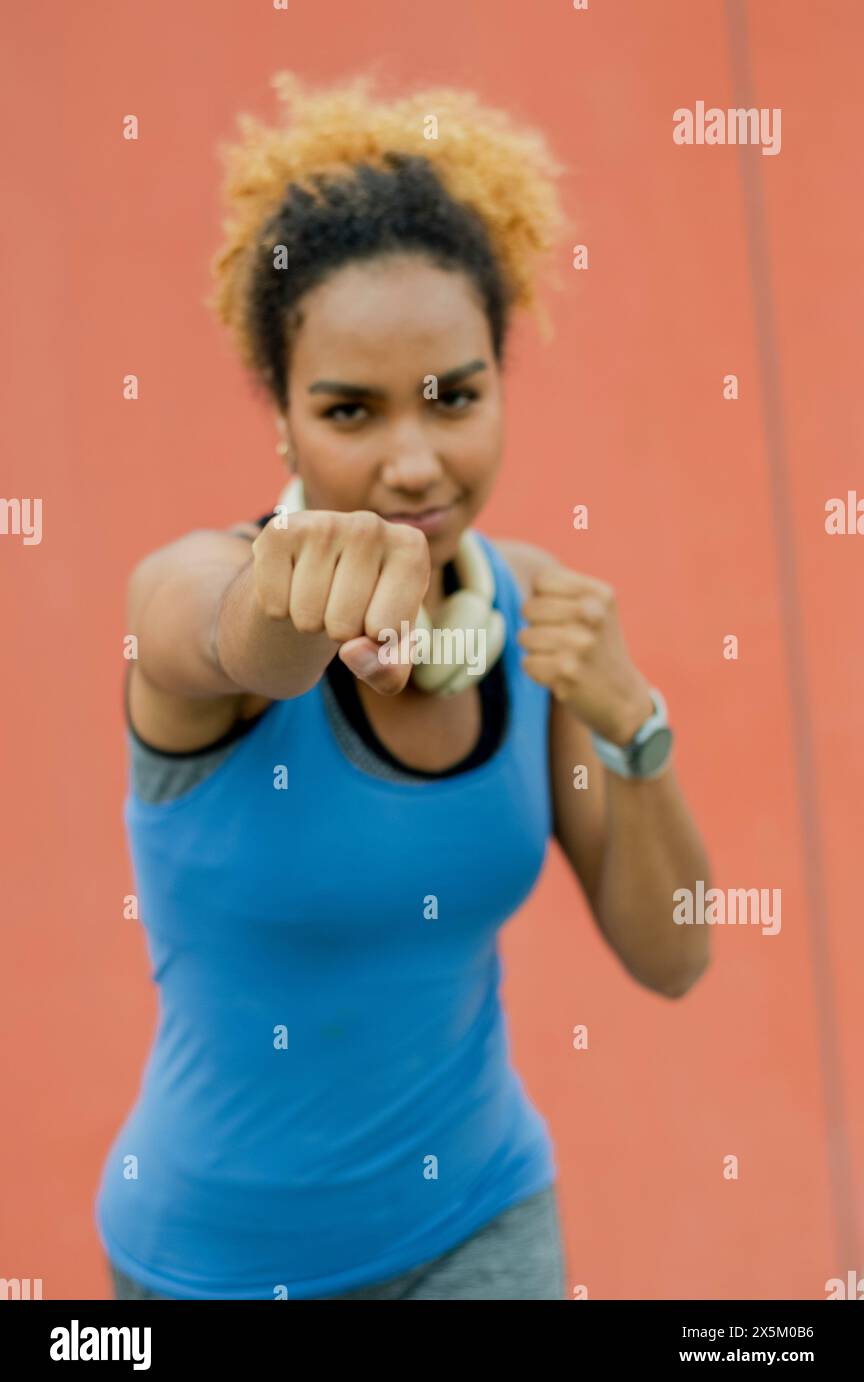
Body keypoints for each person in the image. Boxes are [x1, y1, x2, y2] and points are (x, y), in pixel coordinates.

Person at [94, 72, 712, 1301]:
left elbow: (677, 955)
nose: (413, 460)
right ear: (280, 417)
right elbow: (232, 640)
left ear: (496, 383)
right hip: (212, 1268)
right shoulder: (194, 587)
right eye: (349, 411)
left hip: (481, 1226)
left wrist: (631, 722)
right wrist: (301, 601)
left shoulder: (537, 617)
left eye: (456, 398)